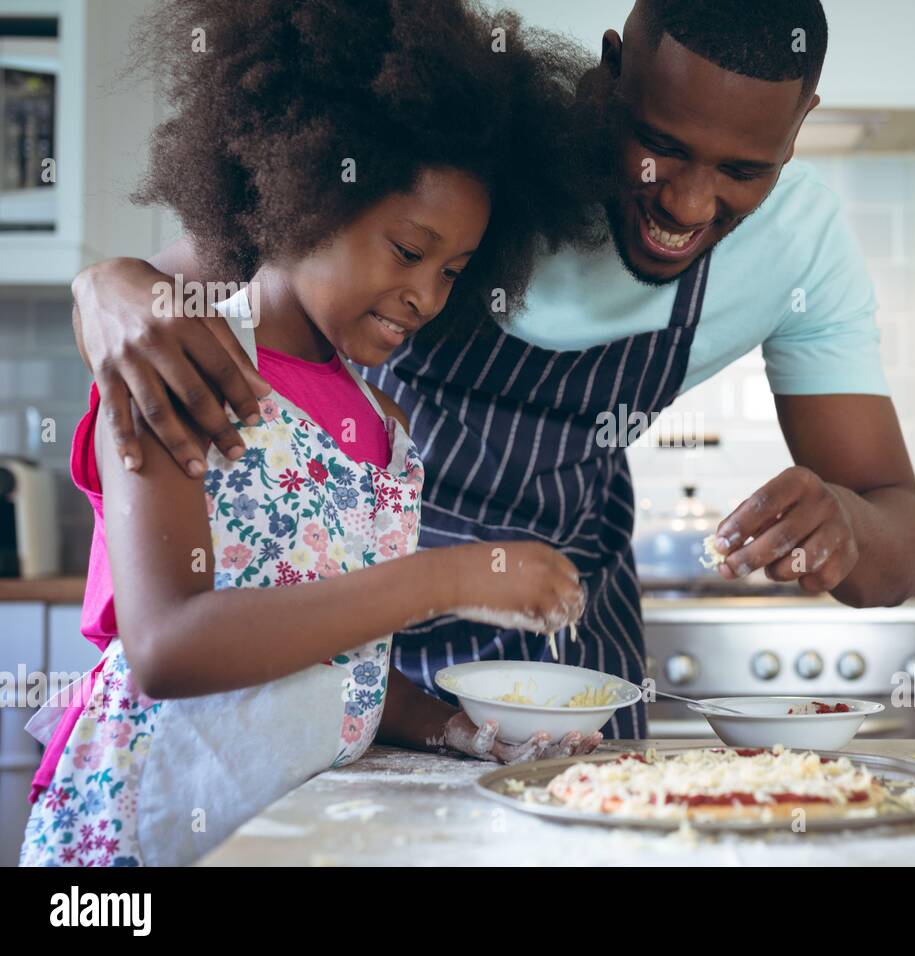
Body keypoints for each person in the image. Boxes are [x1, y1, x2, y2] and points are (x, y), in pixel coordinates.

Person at [70, 0, 915, 742]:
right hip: (354, 668)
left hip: (565, 664)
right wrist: (102, 284)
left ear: (802, 123)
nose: (688, 204)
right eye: (658, 148)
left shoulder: (802, 246)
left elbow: (896, 554)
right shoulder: (479, 160)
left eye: (744, 170)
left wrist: (846, 521)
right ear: (609, 79)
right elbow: (201, 274)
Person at [21, 0, 600, 867]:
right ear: (309, 193)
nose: (427, 297)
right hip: (139, 836)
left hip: (291, 836)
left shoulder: (383, 428)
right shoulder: (178, 363)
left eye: (453, 271)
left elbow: (344, 666)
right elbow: (169, 648)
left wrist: (454, 729)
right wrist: (443, 578)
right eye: (407, 251)